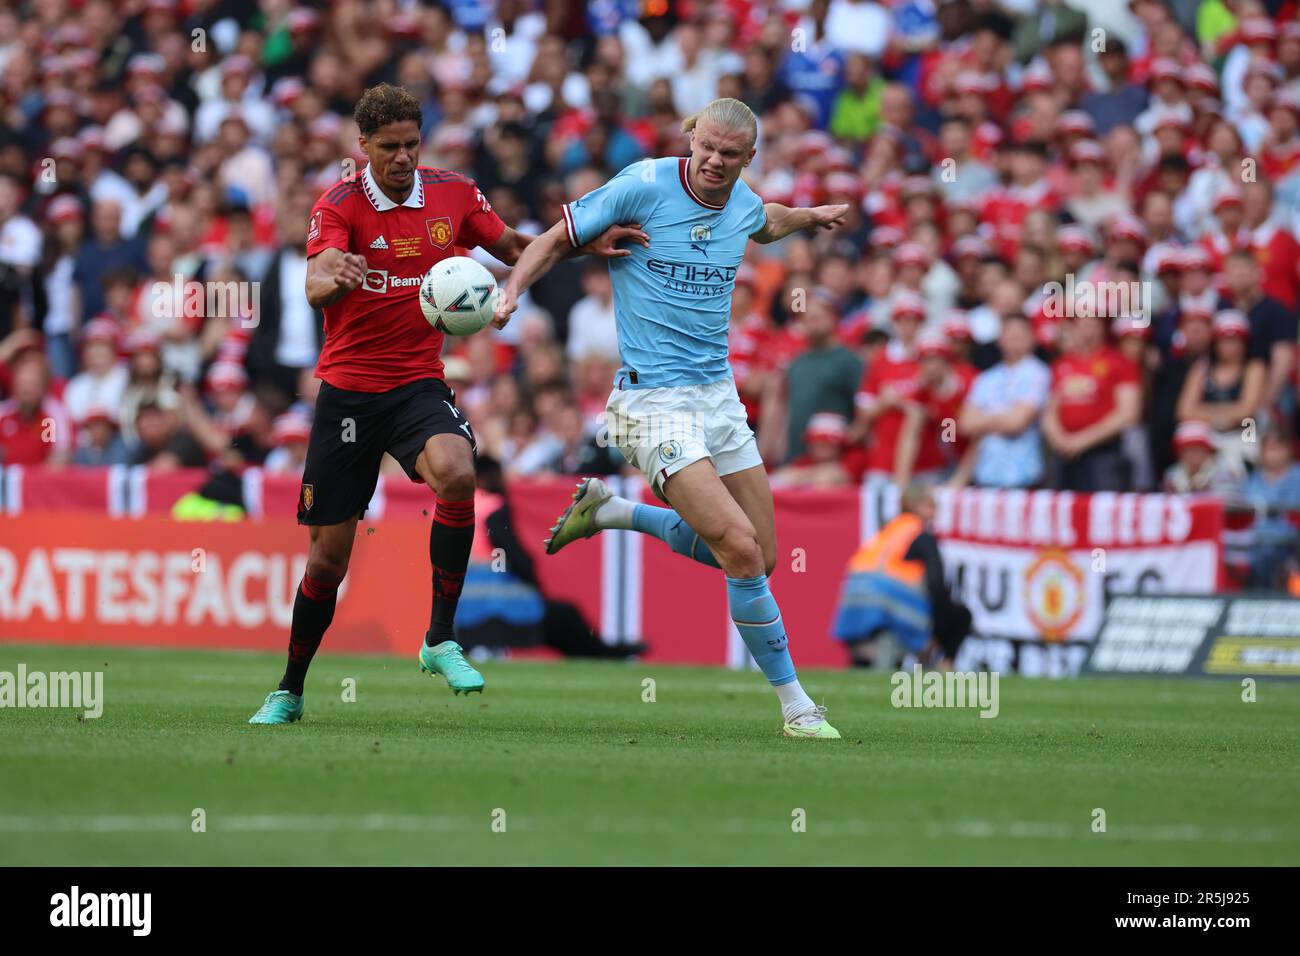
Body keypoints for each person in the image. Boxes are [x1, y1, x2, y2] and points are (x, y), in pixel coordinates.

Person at [248, 84, 645, 724]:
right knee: (328, 560)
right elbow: (316, 279)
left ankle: (439, 638)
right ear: (363, 147)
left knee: (459, 473)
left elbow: (514, 246)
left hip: (416, 384)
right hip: (348, 392)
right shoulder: (339, 205)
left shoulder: (455, 194)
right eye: (388, 147)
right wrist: (336, 276)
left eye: (411, 144)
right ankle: (291, 687)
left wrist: (581, 242)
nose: (402, 157)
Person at [493, 97, 850, 739]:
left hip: (718, 399)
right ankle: (797, 705)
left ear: (748, 158)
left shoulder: (741, 201)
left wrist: (809, 217)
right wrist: (512, 289)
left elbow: (766, 220)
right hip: (649, 403)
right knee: (738, 548)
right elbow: (553, 238)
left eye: (729, 154)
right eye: (706, 146)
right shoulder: (644, 184)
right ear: (693, 137)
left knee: (762, 556)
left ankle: (612, 512)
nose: (713, 161)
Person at [832, 481, 971, 670]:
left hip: (852, 602)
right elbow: (937, 585)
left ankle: (867, 655)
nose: (936, 510)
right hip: (887, 606)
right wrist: (935, 634)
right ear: (919, 506)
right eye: (932, 504)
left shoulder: (888, 530)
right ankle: (941, 664)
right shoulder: (922, 536)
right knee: (961, 615)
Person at [958, 313, 1051, 488]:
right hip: (985, 473)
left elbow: (1017, 423)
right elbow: (965, 423)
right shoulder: (986, 378)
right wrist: (1006, 416)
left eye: (1020, 335)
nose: (1014, 340)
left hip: (1024, 476)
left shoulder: (1039, 373)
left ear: (1032, 339)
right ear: (999, 339)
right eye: (1009, 334)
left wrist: (985, 418)